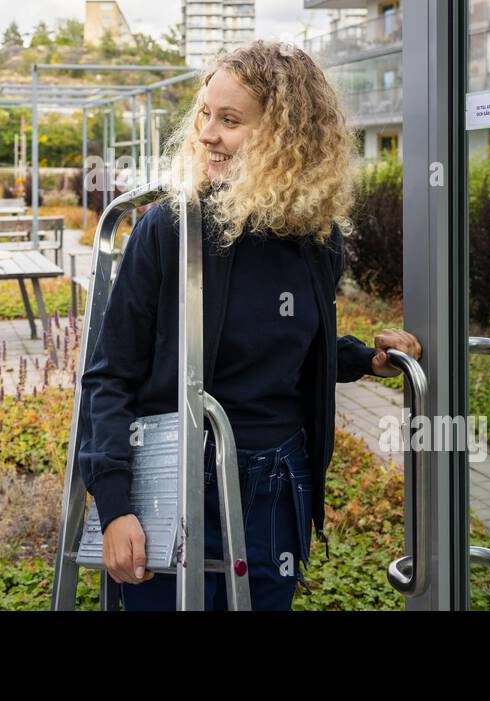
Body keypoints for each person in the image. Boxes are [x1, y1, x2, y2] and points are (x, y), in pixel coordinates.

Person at [78, 40, 422, 611]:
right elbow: (110, 375)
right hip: (178, 480)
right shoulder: (169, 229)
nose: (207, 133)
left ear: (287, 138)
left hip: (276, 486)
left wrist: (365, 359)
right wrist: (115, 507)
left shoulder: (316, 240)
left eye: (231, 120)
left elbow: (287, 346)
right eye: (205, 115)